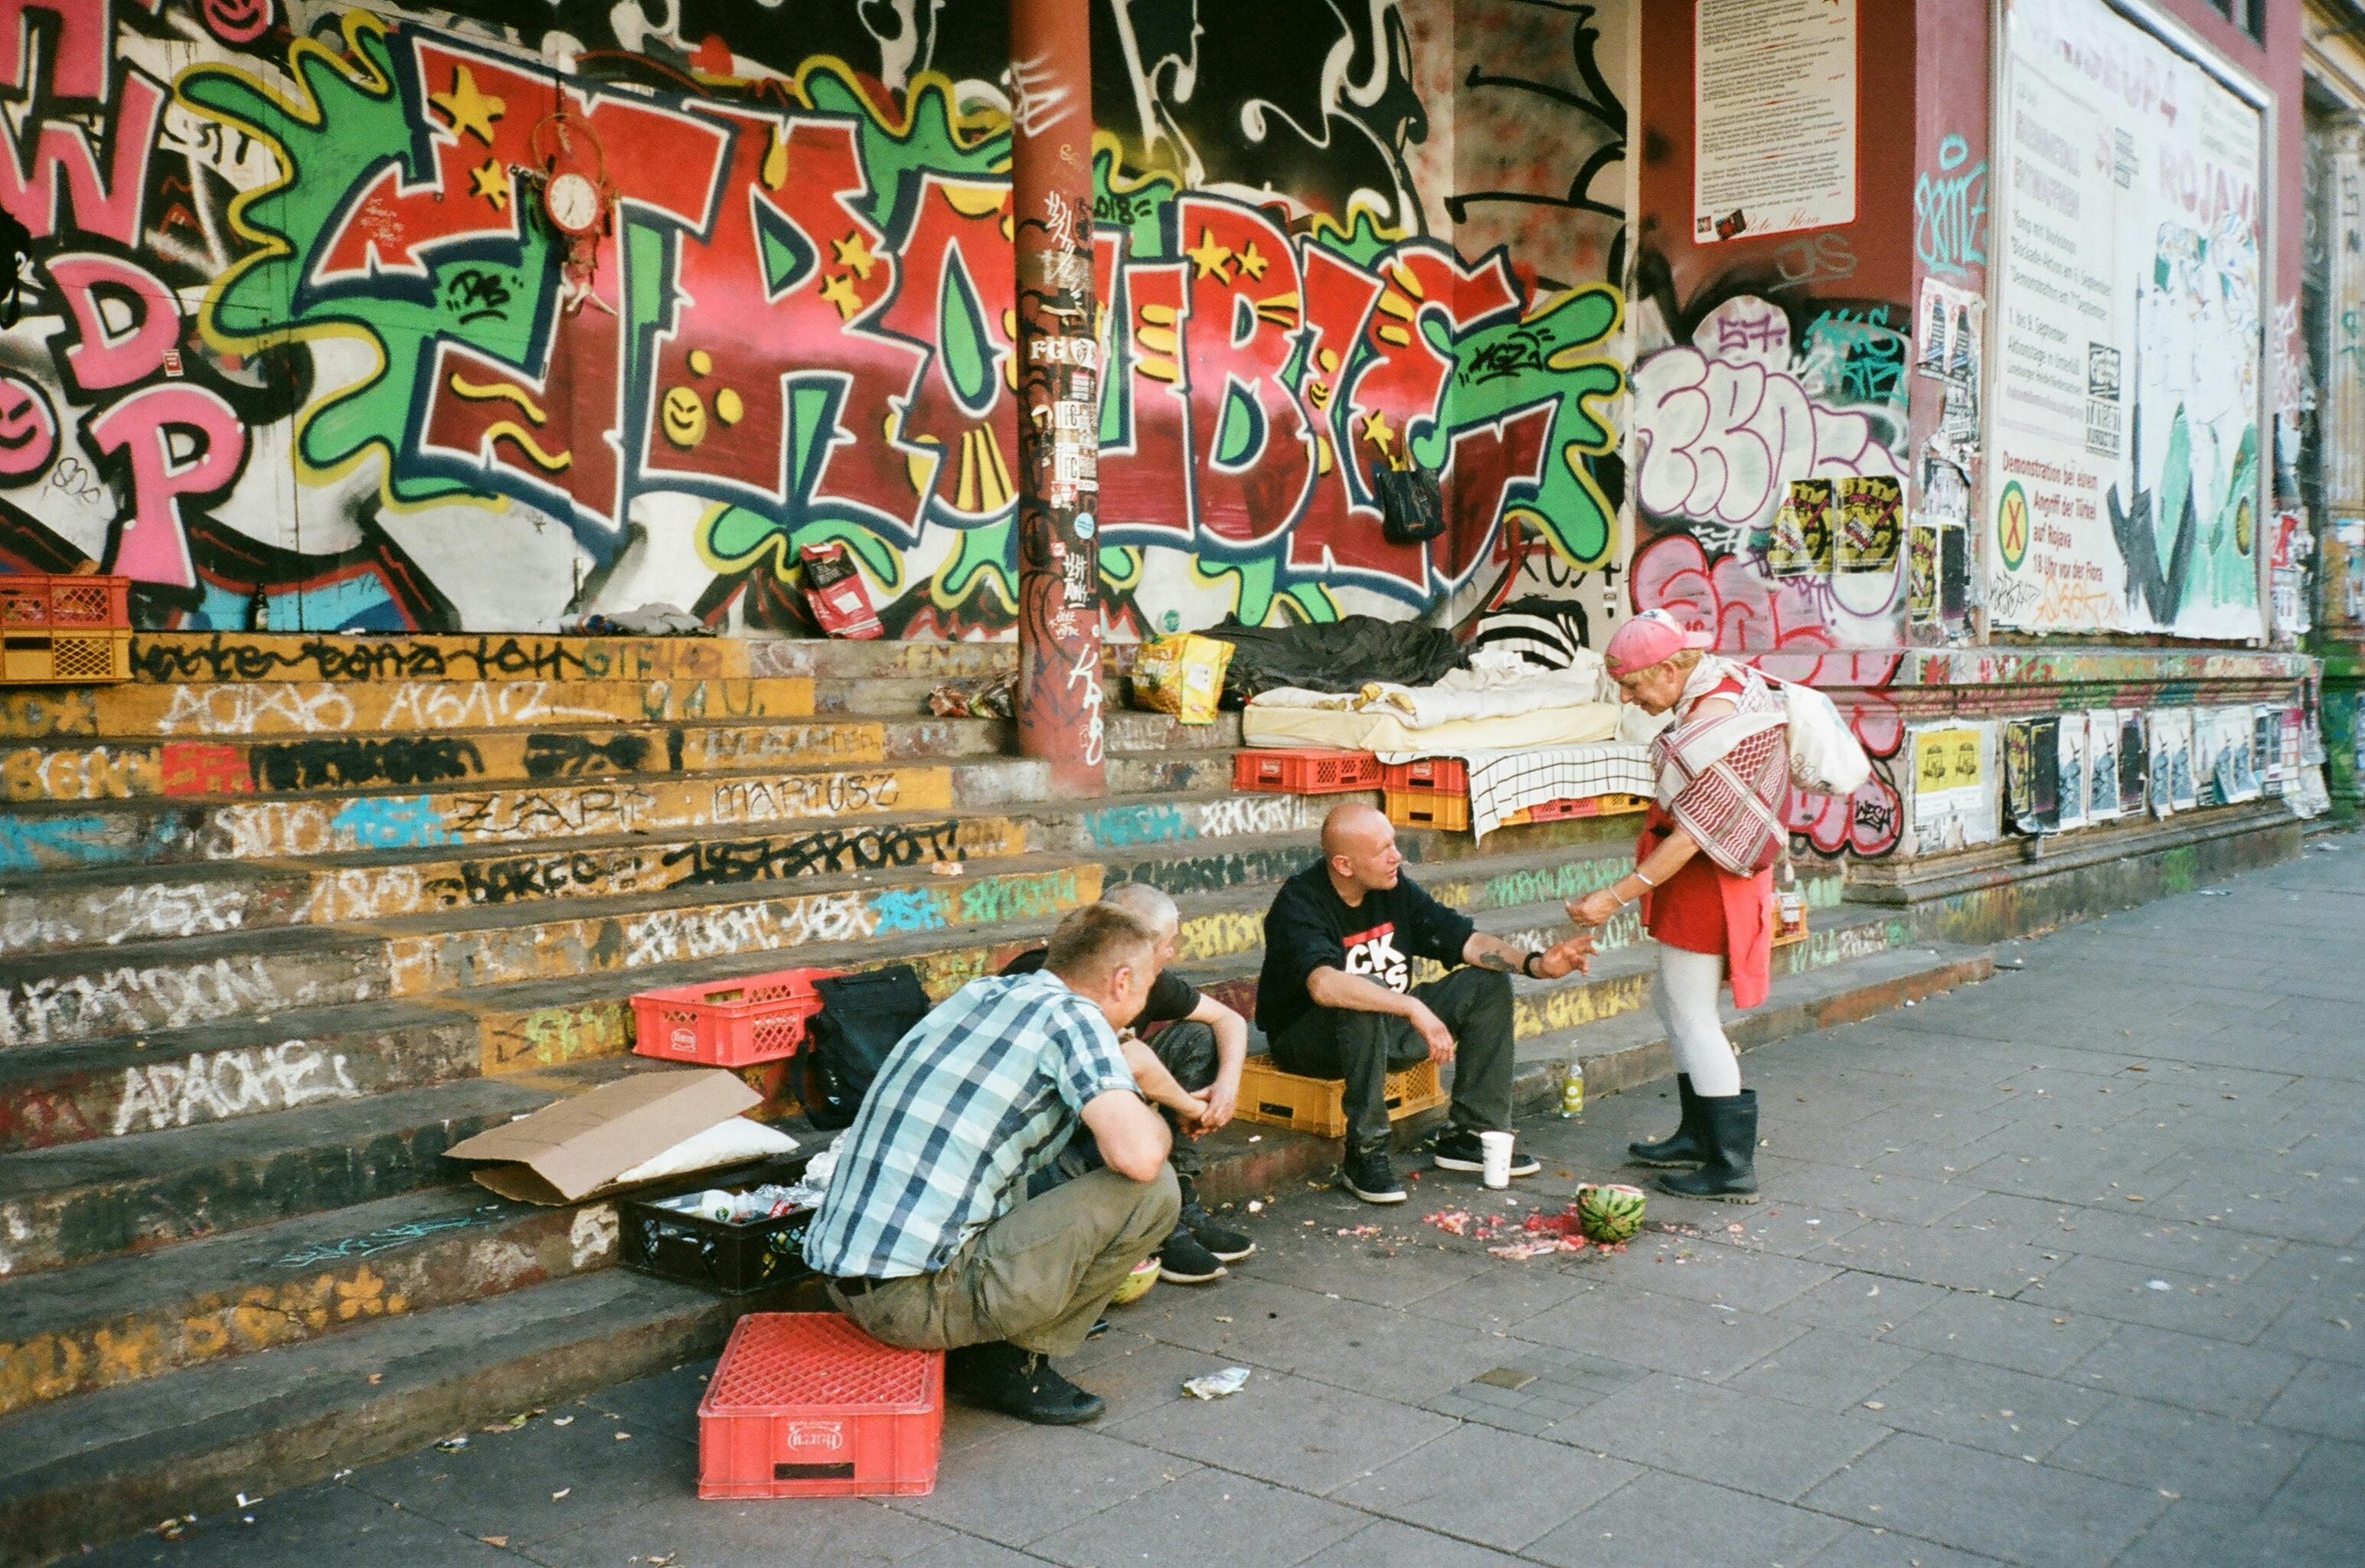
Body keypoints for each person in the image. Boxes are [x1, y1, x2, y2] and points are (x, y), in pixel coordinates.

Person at [802, 903, 1178, 1425]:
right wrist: (1154, 1105)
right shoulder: (1076, 1018)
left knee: (1040, 1153)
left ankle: (986, 1338)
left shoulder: (983, 993)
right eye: (1149, 982)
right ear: (1121, 981)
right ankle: (1009, 1364)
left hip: (846, 1278)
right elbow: (1139, 1158)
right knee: (1155, 1189)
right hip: (911, 1304)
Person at [1258, 801, 1595, 1204]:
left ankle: (1470, 1136)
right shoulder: (1299, 903)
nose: (1396, 856)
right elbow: (1325, 987)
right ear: (1345, 866)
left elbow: (1465, 941)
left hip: (1388, 1027)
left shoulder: (1393, 887)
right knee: (1362, 995)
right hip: (1310, 1040)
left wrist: (1536, 964)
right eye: (1382, 850)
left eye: (1394, 844)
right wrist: (1413, 1008)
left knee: (1486, 985)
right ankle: (1365, 1153)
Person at [1566, 609, 1790, 1203]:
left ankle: (1729, 1165)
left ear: (1670, 668)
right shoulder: (1724, 685)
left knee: (1692, 1015)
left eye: (1636, 685)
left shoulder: (1711, 724)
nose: (1630, 697)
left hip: (1709, 881)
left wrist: (1610, 898)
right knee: (1670, 1004)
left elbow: (1690, 838)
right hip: (1703, 878)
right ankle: (1698, 1135)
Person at [1000, 882, 1257, 1285]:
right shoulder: (1049, 976)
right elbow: (1133, 1066)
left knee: (1197, 1037)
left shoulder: (1149, 978)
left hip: (1106, 1105)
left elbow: (1229, 1019)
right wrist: (1194, 1109)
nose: (1172, 952)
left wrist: (1226, 1087)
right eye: (1167, 942)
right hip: (1051, 1129)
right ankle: (1151, 1225)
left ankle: (1179, 1202)